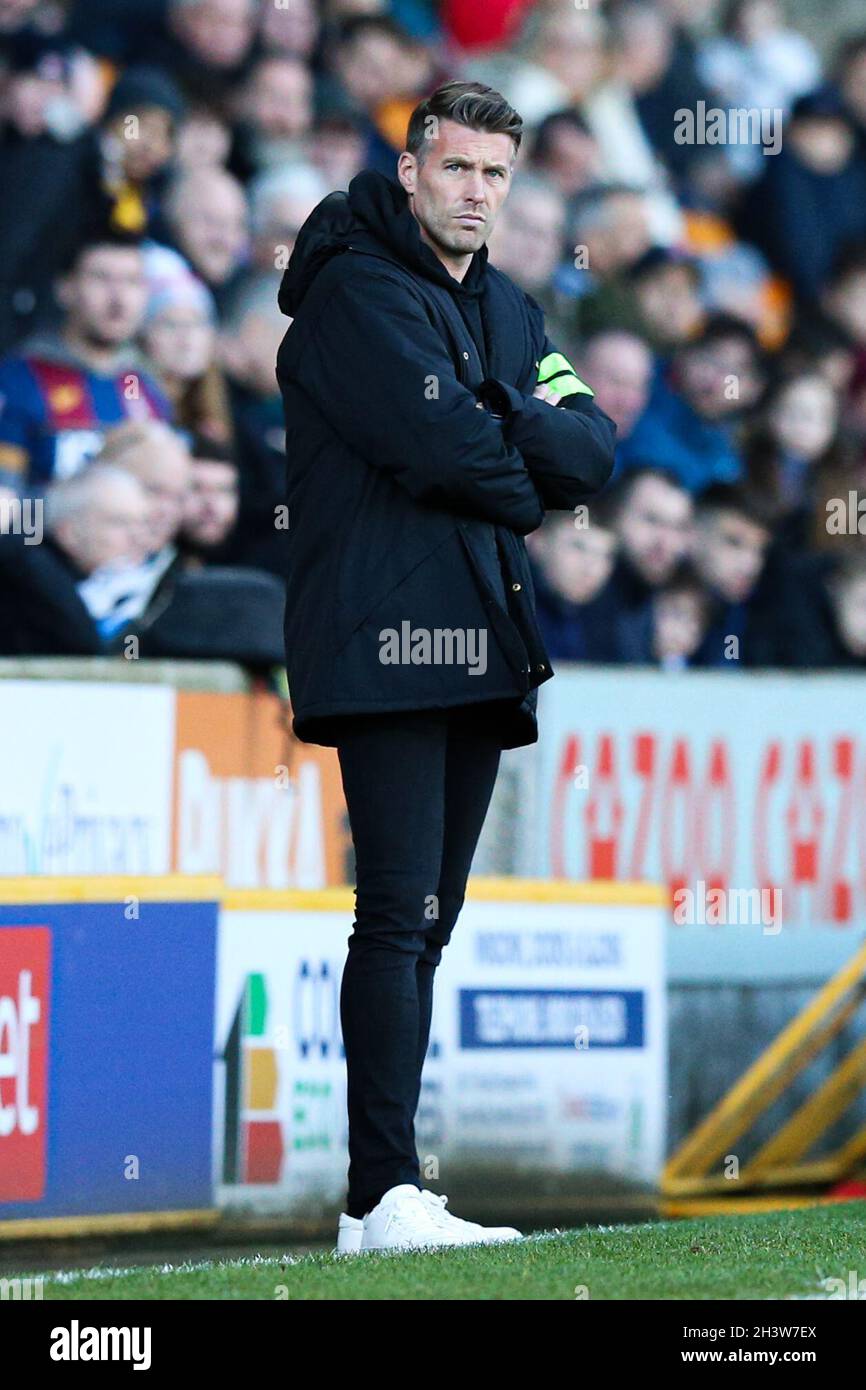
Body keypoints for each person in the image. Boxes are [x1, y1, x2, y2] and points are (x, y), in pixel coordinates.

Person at [276, 79, 615, 1252]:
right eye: (457, 168)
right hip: (381, 636)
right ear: (411, 169)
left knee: (430, 917)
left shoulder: (511, 309)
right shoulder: (355, 291)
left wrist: (508, 431)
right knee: (394, 912)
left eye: (495, 175)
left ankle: (388, 1197)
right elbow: (444, 449)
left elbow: (592, 446)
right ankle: (378, 1192)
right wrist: (518, 453)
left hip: (479, 637)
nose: (476, 191)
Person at [0, 231, 172, 490]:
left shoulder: (140, 385)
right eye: (101, 278)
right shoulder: (18, 380)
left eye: (132, 281)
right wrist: (66, 511)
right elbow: (5, 512)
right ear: (65, 289)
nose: (119, 298)